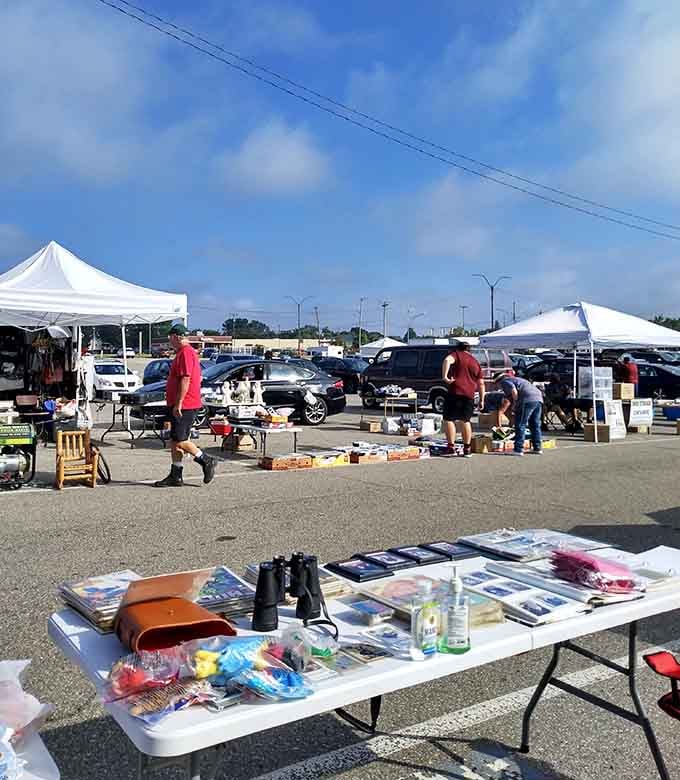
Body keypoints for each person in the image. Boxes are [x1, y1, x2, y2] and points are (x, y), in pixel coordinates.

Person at [154, 323, 216, 488]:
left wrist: (179, 403)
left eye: (170, 339)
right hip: (179, 402)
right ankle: (176, 474)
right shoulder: (182, 353)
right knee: (175, 440)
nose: (170, 343)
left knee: (181, 440)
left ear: (175, 337)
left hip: (186, 404)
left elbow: (185, 378)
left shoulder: (186, 353)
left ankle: (206, 460)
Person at [441, 341, 485, 458]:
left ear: (458, 349)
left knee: (448, 419)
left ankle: (451, 447)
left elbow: (447, 360)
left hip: (455, 391)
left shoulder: (457, 355)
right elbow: (481, 384)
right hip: (469, 394)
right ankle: (467, 449)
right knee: (465, 420)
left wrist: (445, 377)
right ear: (469, 350)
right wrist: (482, 400)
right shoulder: (475, 362)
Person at [498, 373, 543, 456]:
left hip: (527, 399)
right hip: (538, 398)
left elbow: (513, 391)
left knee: (520, 424)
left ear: (498, 381)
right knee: (535, 424)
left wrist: (515, 404)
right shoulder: (518, 379)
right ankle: (537, 448)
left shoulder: (505, 381)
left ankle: (518, 449)